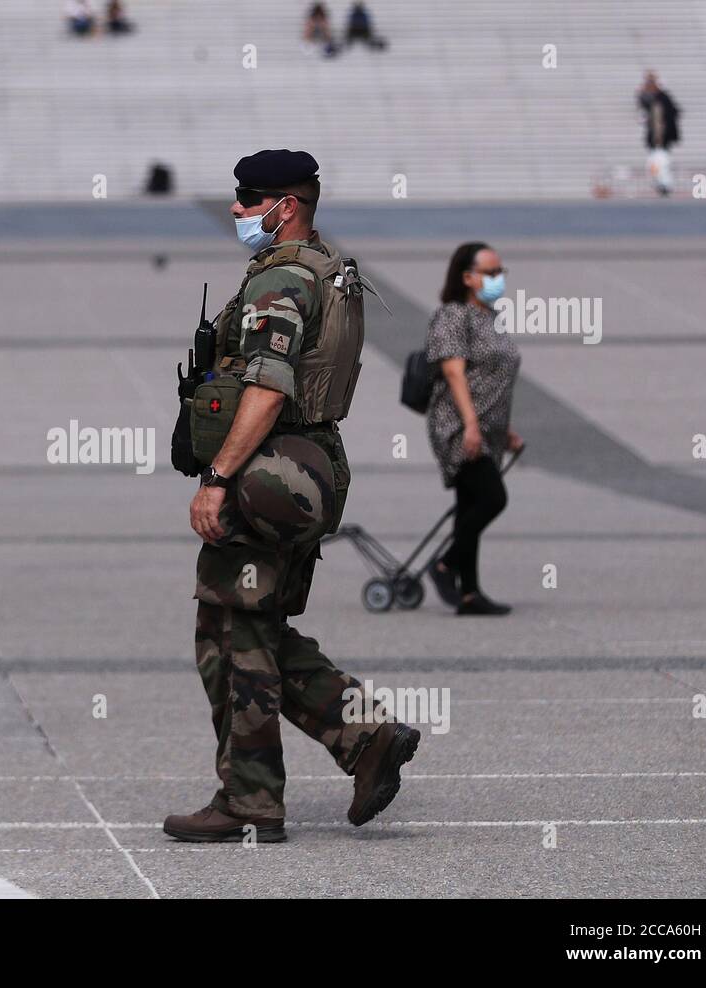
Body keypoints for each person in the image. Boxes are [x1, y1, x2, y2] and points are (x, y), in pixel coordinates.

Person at [163, 149, 420, 843]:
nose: (239, 210)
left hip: (270, 473)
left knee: (230, 630)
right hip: (309, 466)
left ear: (287, 205)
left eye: (250, 199)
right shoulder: (327, 267)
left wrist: (218, 480)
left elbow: (269, 384)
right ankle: (364, 737)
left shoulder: (281, 282)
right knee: (253, 624)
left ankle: (250, 800)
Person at [425, 243, 522, 616]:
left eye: (501, 273)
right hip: (456, 426)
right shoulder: (453, 316)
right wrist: (469, 425)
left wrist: (506, 429)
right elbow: (454, 372)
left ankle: (470, 594)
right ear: (467, 278)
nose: (498, 280)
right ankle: (445, 565)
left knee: (469, 505)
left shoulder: (489, 317)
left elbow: (492, 380)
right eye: (490, 273)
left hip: (486, 430)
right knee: (491, 498)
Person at [637, 72, 680, 197]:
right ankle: (662, 183)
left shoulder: (662, 99)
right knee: (655, 162)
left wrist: (662, 136)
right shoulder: (653, 99)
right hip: (656, 138)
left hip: (661, 139)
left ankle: (665, 184)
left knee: (661, 161)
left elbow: (666, 119)